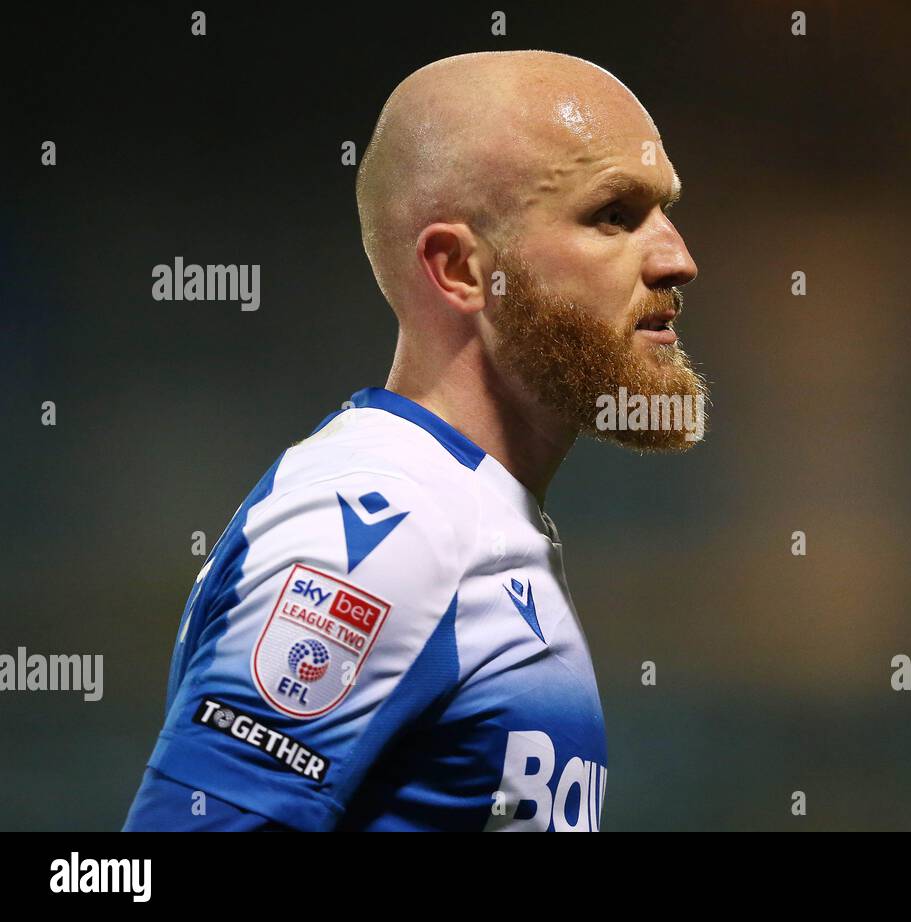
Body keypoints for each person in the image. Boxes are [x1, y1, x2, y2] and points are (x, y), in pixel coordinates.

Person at [122, 50, 706, 831]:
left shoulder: (471, 515)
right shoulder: (384, 525)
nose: (678, 258)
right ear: (460, 269)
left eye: (665, 210)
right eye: (613, 215)